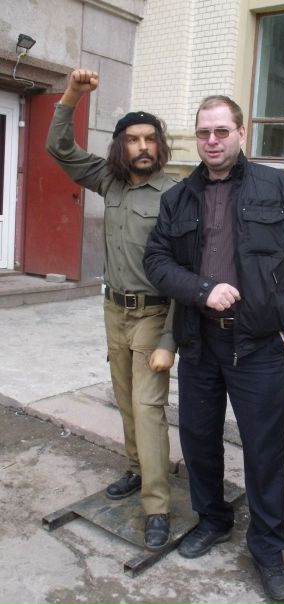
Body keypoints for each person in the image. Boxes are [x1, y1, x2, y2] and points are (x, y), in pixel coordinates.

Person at [143, 95, 284, 600]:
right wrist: (203, 289)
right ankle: (213, 520)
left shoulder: (279, 188)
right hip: (199, 342)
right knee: (199, 440)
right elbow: (157, 261)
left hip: (260, 346)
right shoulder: (178, 198)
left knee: (265, 451)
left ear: (241, 133)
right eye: (204, 132)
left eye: (222, 131)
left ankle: (268, 548)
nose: (212, 141)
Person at [46, 69, 177, 550]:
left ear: (159, 145)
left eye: (150, 139)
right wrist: (72, 95)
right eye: (133, 139)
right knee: (124, 399)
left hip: (154, 315)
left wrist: (170, 340)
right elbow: (59, 148)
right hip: (114, 311)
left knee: (147, 407)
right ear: (121, 146)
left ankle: (156, 505)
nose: (142, 147)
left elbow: (186, 274)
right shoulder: (110, 181)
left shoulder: (177, 196)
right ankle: (137, 469)